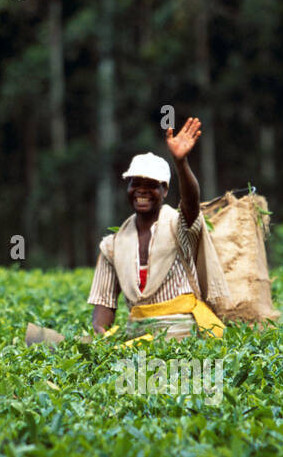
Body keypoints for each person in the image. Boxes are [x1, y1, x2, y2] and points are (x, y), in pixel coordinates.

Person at [87, 117, 229, 343]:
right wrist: (99, 334)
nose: (141, 191)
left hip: (183, 332)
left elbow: (191, 204)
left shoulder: (179, 225)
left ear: (164, 190)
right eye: (135, 183)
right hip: (139, 335)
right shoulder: (113, 245)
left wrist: (181, 163)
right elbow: (104, 302)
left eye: (152, 185)